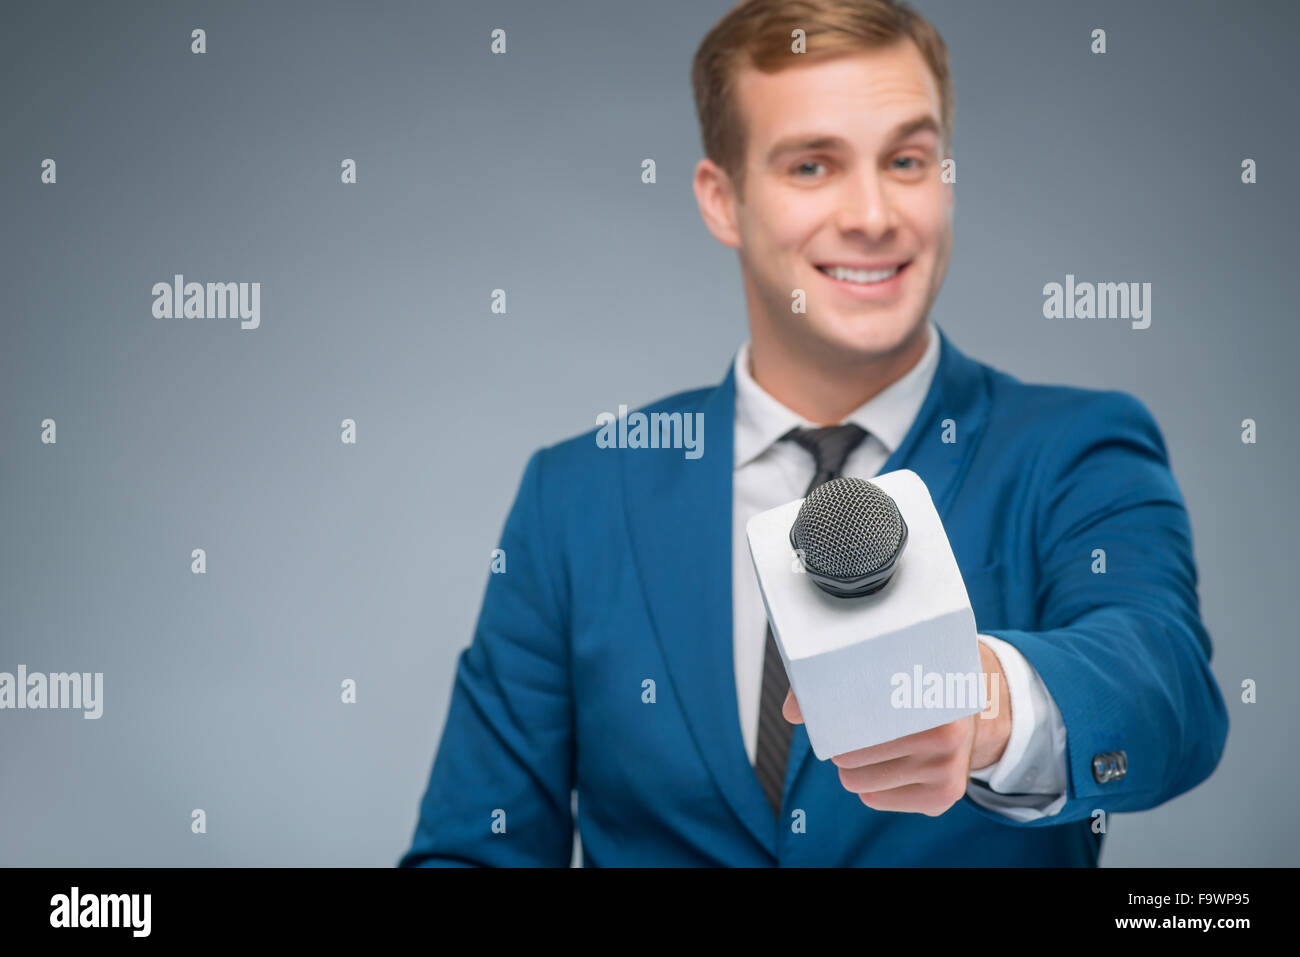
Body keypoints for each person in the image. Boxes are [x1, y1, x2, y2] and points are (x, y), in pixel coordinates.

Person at [399, 0, 1227, 866]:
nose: (872, 214)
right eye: (811, 166)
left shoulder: (1075, 450)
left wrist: (990, 704)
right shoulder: (576, 497)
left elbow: (1166, 688)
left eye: (907, 159)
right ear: (723, 200)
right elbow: (470, 847)